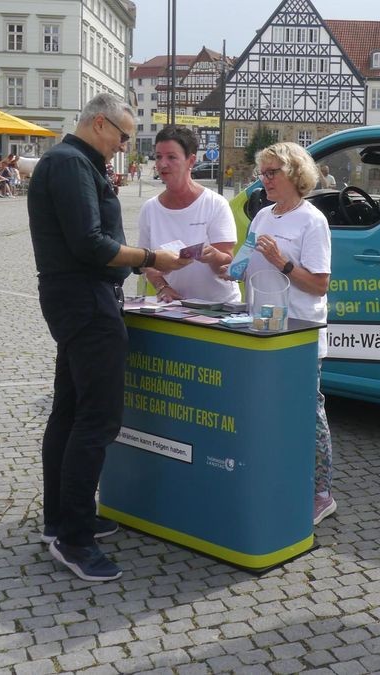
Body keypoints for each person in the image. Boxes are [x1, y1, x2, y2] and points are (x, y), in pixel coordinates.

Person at [27, 93, 189, 582]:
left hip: (75, 300)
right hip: (87, 303)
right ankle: (73, 539)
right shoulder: (72, 164)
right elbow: (90, 244)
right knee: (96, 421)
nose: (123, 145)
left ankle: (61, 519)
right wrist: (150, 258)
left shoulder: (67, 162)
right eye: (121, 135)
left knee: (70, 412)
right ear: (99, 124)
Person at [222, 142, 336, 525]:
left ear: (295, 175)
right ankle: (278, 479)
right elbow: (240, 264)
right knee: (267, 409)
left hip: (298, 331)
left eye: (273, 173)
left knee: (308, 412)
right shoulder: (262, 217)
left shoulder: (312, 220)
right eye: (262, 173)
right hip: (261, 329)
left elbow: (319, 285)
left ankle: (321, 493)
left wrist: (282, 263)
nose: (264, 180)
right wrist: (222, 264)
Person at [139, 126, 240, 304]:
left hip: (216, 307)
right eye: (158, 156)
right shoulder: (150, 209)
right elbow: (147, 263)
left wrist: (214, 256)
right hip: (174, 307)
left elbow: (226, 263)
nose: (163, 164)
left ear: (191, 161)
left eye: (171, 157)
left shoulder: (215, 204)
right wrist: (162, 287)